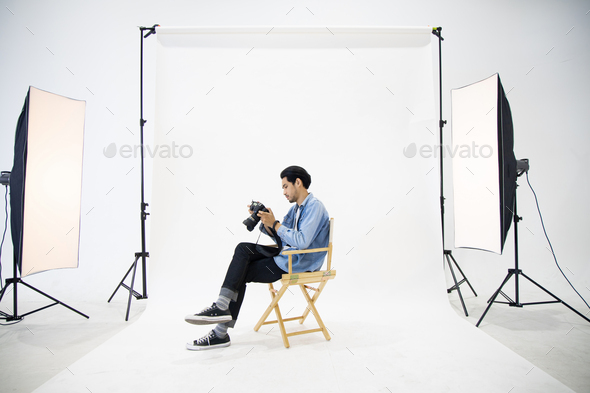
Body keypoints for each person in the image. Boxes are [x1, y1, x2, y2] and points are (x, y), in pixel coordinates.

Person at [185, 166, 330, 350]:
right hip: (287, 257)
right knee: (242, 250)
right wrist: (265, 221)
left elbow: (301, 241)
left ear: (298, 183)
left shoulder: (315, 206)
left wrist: (276, 224)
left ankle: (220, 329)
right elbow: (280, 235)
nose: (284, 192)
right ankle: (221, 309)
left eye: (286, 186)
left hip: (298, 263)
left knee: (241, 272)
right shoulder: (296, 210)